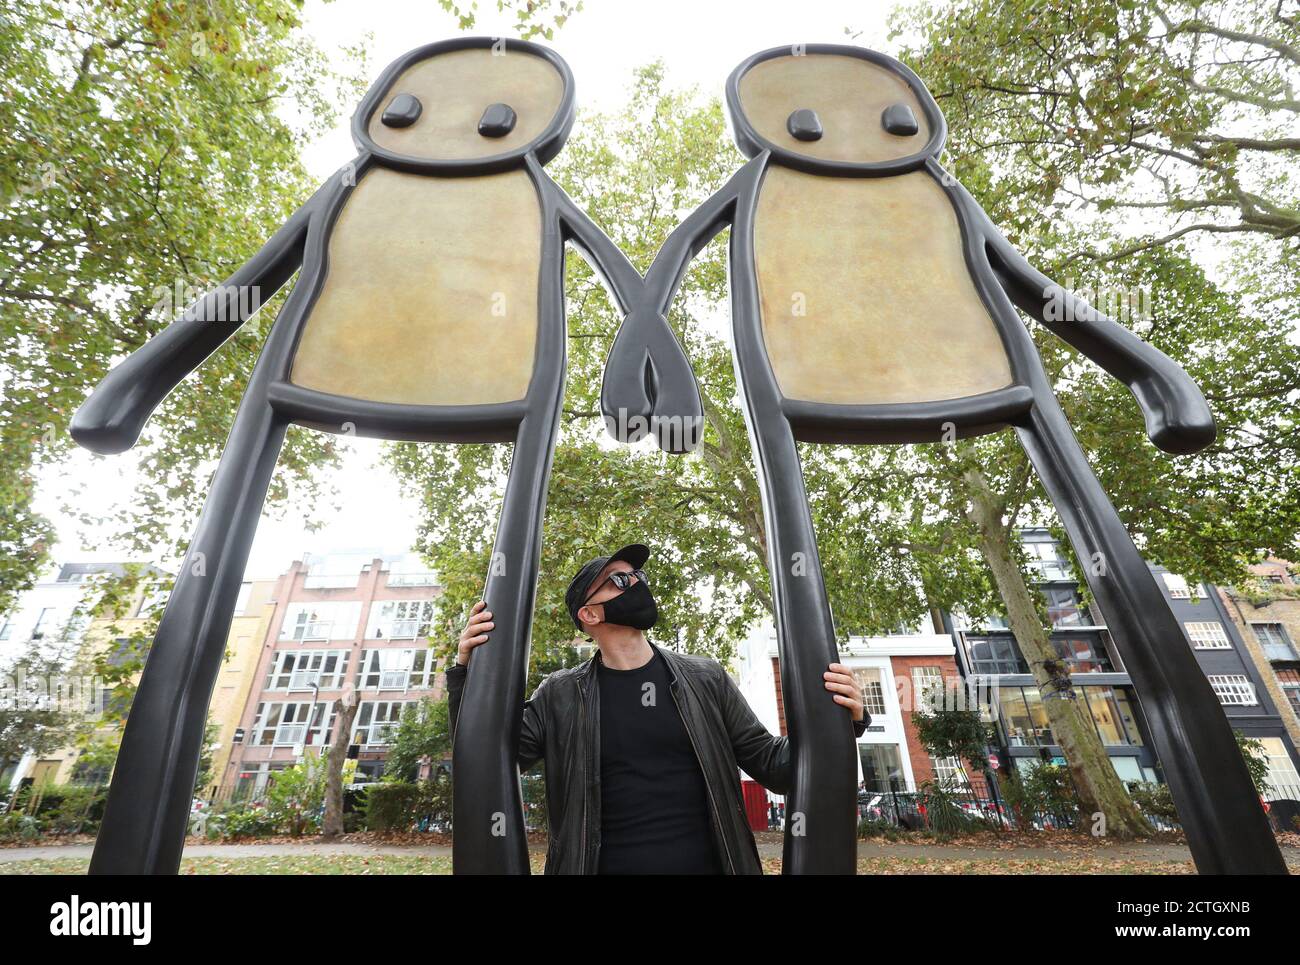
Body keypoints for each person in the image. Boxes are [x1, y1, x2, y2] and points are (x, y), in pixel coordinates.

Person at [446, 542, 869, 875]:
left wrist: (843, 722)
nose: (637, 583)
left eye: (637, 575)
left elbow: (775, 767)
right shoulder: (559, 694)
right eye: (620, 581)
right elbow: (489, 757)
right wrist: (468, 672)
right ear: (589, 614)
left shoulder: (706, 678)